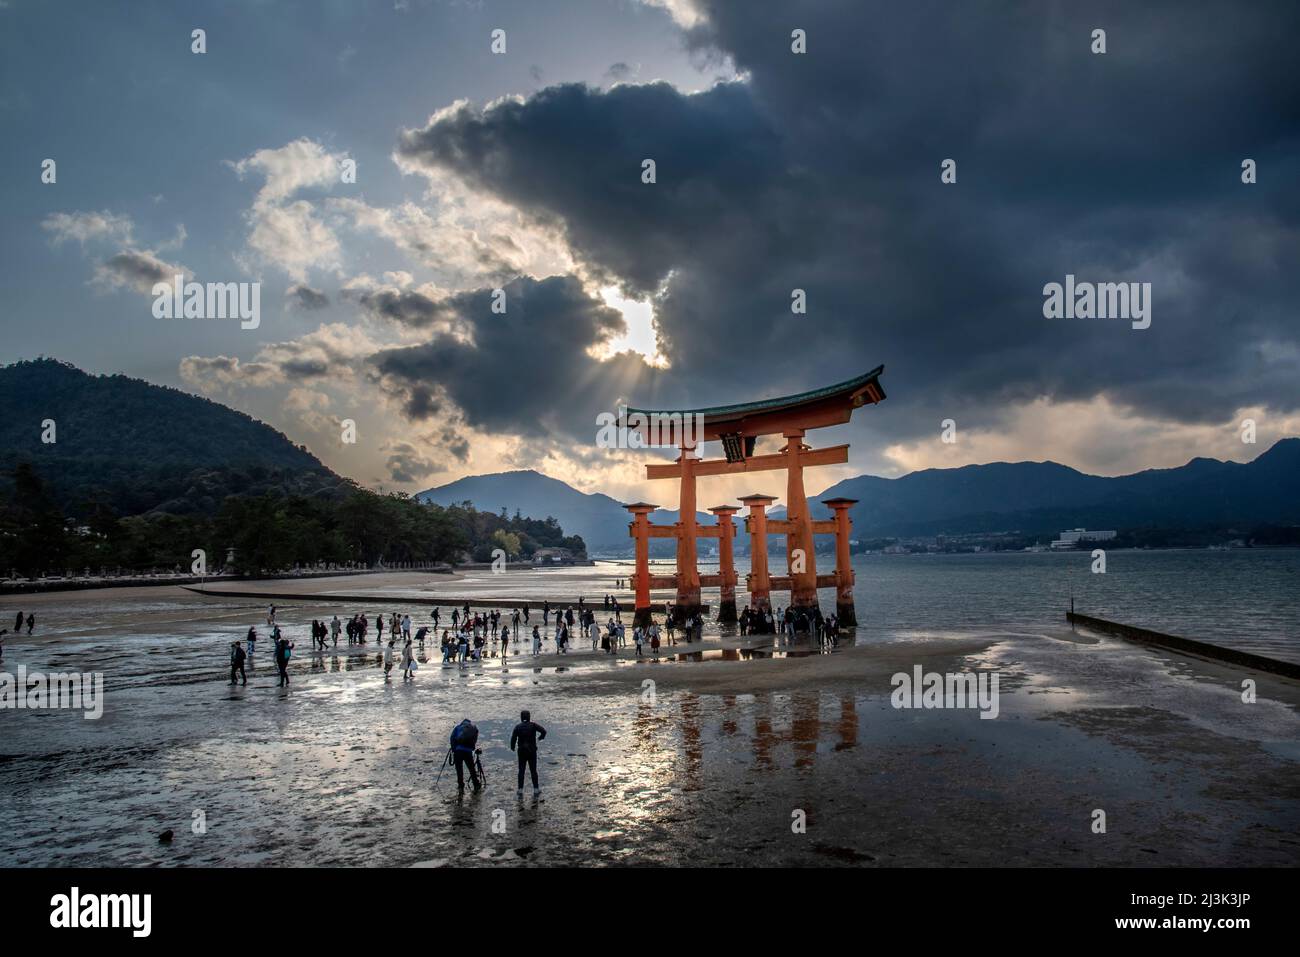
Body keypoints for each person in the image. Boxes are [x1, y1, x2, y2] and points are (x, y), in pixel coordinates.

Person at [510, 709, 547, 796]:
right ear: (529, 717)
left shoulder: (517, 727)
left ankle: (520, 789)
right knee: (533, 770)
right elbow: (544, 731)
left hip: (521, 751)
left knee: (521, 770)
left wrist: (512, 747)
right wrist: (540, 738)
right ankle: (536, 789)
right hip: (532, 751)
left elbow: (513, 738)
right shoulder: (533, 725)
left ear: (521, 717)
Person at [449, 718, 480, 791]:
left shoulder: (458, 727)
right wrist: (471, 748)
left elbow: (452, 738)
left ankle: (461, 785)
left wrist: (454, 749)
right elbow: (474, 739)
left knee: (459, 769)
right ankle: (476, 783)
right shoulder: (473, 728)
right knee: (471, 768)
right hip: (468, 751)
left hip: (458, 751)